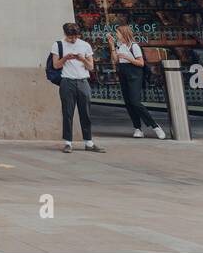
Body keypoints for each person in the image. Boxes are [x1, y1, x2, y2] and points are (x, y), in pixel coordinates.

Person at [52, 22, 105, 154]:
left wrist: (82, 59)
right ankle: (68, 142)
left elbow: (91, 67)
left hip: (83, 82)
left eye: (75, 37)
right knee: (68, 113)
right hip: (67, 82)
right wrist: (65, 58)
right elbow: (56, 66)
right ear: (65, 34)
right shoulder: (58, 45)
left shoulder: (85, 45)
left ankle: (89, 142)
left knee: (85, 113)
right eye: (71, 37)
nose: (73, 39)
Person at [108, 25, 166, 139]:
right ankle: (138, 128)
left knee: (135, 101)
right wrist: (112, 46)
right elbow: (115, 60)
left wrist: (127, 57)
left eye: (118, 33)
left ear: (124, 33)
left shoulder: (134, 46)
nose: (116, 35)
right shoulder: (120, 45)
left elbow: (141, 63)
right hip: (123, 73)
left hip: (134, 74)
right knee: (128, 103)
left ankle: (155, 126)